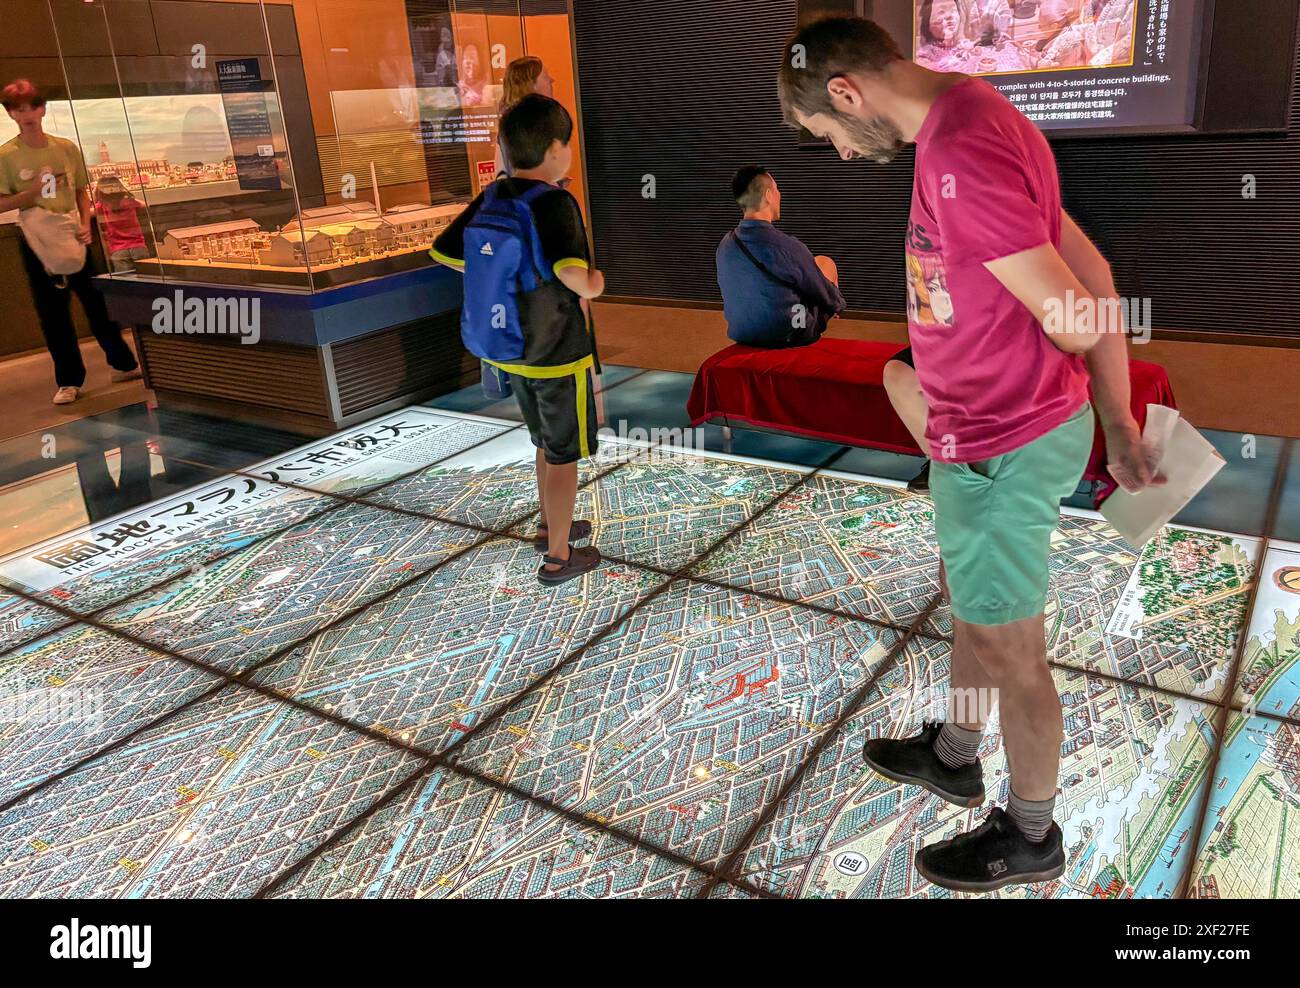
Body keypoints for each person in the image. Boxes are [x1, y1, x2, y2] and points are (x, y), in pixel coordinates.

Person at [778, 16, 1161, 892]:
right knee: (972, 605)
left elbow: (1074, 308)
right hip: (983, 431)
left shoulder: (958, 156)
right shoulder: (983, 113)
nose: (837, 152)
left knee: (1011, 649)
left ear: (846, 92)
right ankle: (953, 751)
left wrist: (1110, 412)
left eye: (827, 133)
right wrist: (1118, 417)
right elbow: (1096, 272)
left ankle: (1030, 834)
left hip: (1002, 441)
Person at [431, 94, 605, 585]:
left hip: (512, 348)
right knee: (564, 452)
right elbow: (573, 274)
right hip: (557, 352)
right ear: (554, 149)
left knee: (541, 442)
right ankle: (557, 555)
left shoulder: (493, 195)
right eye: (566, 145)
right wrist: (597, 283)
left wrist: (502, 273)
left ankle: (552, 522)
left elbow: (446, 251)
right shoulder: (556, 201)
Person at [0, 80, 140, 406]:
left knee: (97, 302)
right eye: (19, 109)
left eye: (33, 106)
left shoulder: (65, 147)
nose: (28, 114)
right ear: (11, 113)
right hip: (38, 240)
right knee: (53, 313)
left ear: (43, 109)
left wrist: (84, 222)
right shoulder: (7, 155)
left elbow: (81, 191)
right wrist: (31, 193)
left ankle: (123, 363)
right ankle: (68, 380)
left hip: (73, 233)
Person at [715, 166, 845, 348]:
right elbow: (821, 290)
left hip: (741, 332)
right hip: (790, 333)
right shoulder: (785, 246)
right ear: (768, 195)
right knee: (825, 263)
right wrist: (836, 304)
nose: (779, 194)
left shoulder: (725, 244)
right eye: (777, 189)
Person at [494, 56, 556, 178]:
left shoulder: (538, 123)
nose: (551, 80)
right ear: (531, 85)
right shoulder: (517, 130)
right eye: (545, 77)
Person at [93, 175, 149, 272]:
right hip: (138, 246)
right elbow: (145, 204)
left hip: (118, 249)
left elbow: (86, 213)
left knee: (125, 282)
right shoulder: (130, 201)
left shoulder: (102, 205)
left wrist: (95, 196)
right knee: (148, 278)